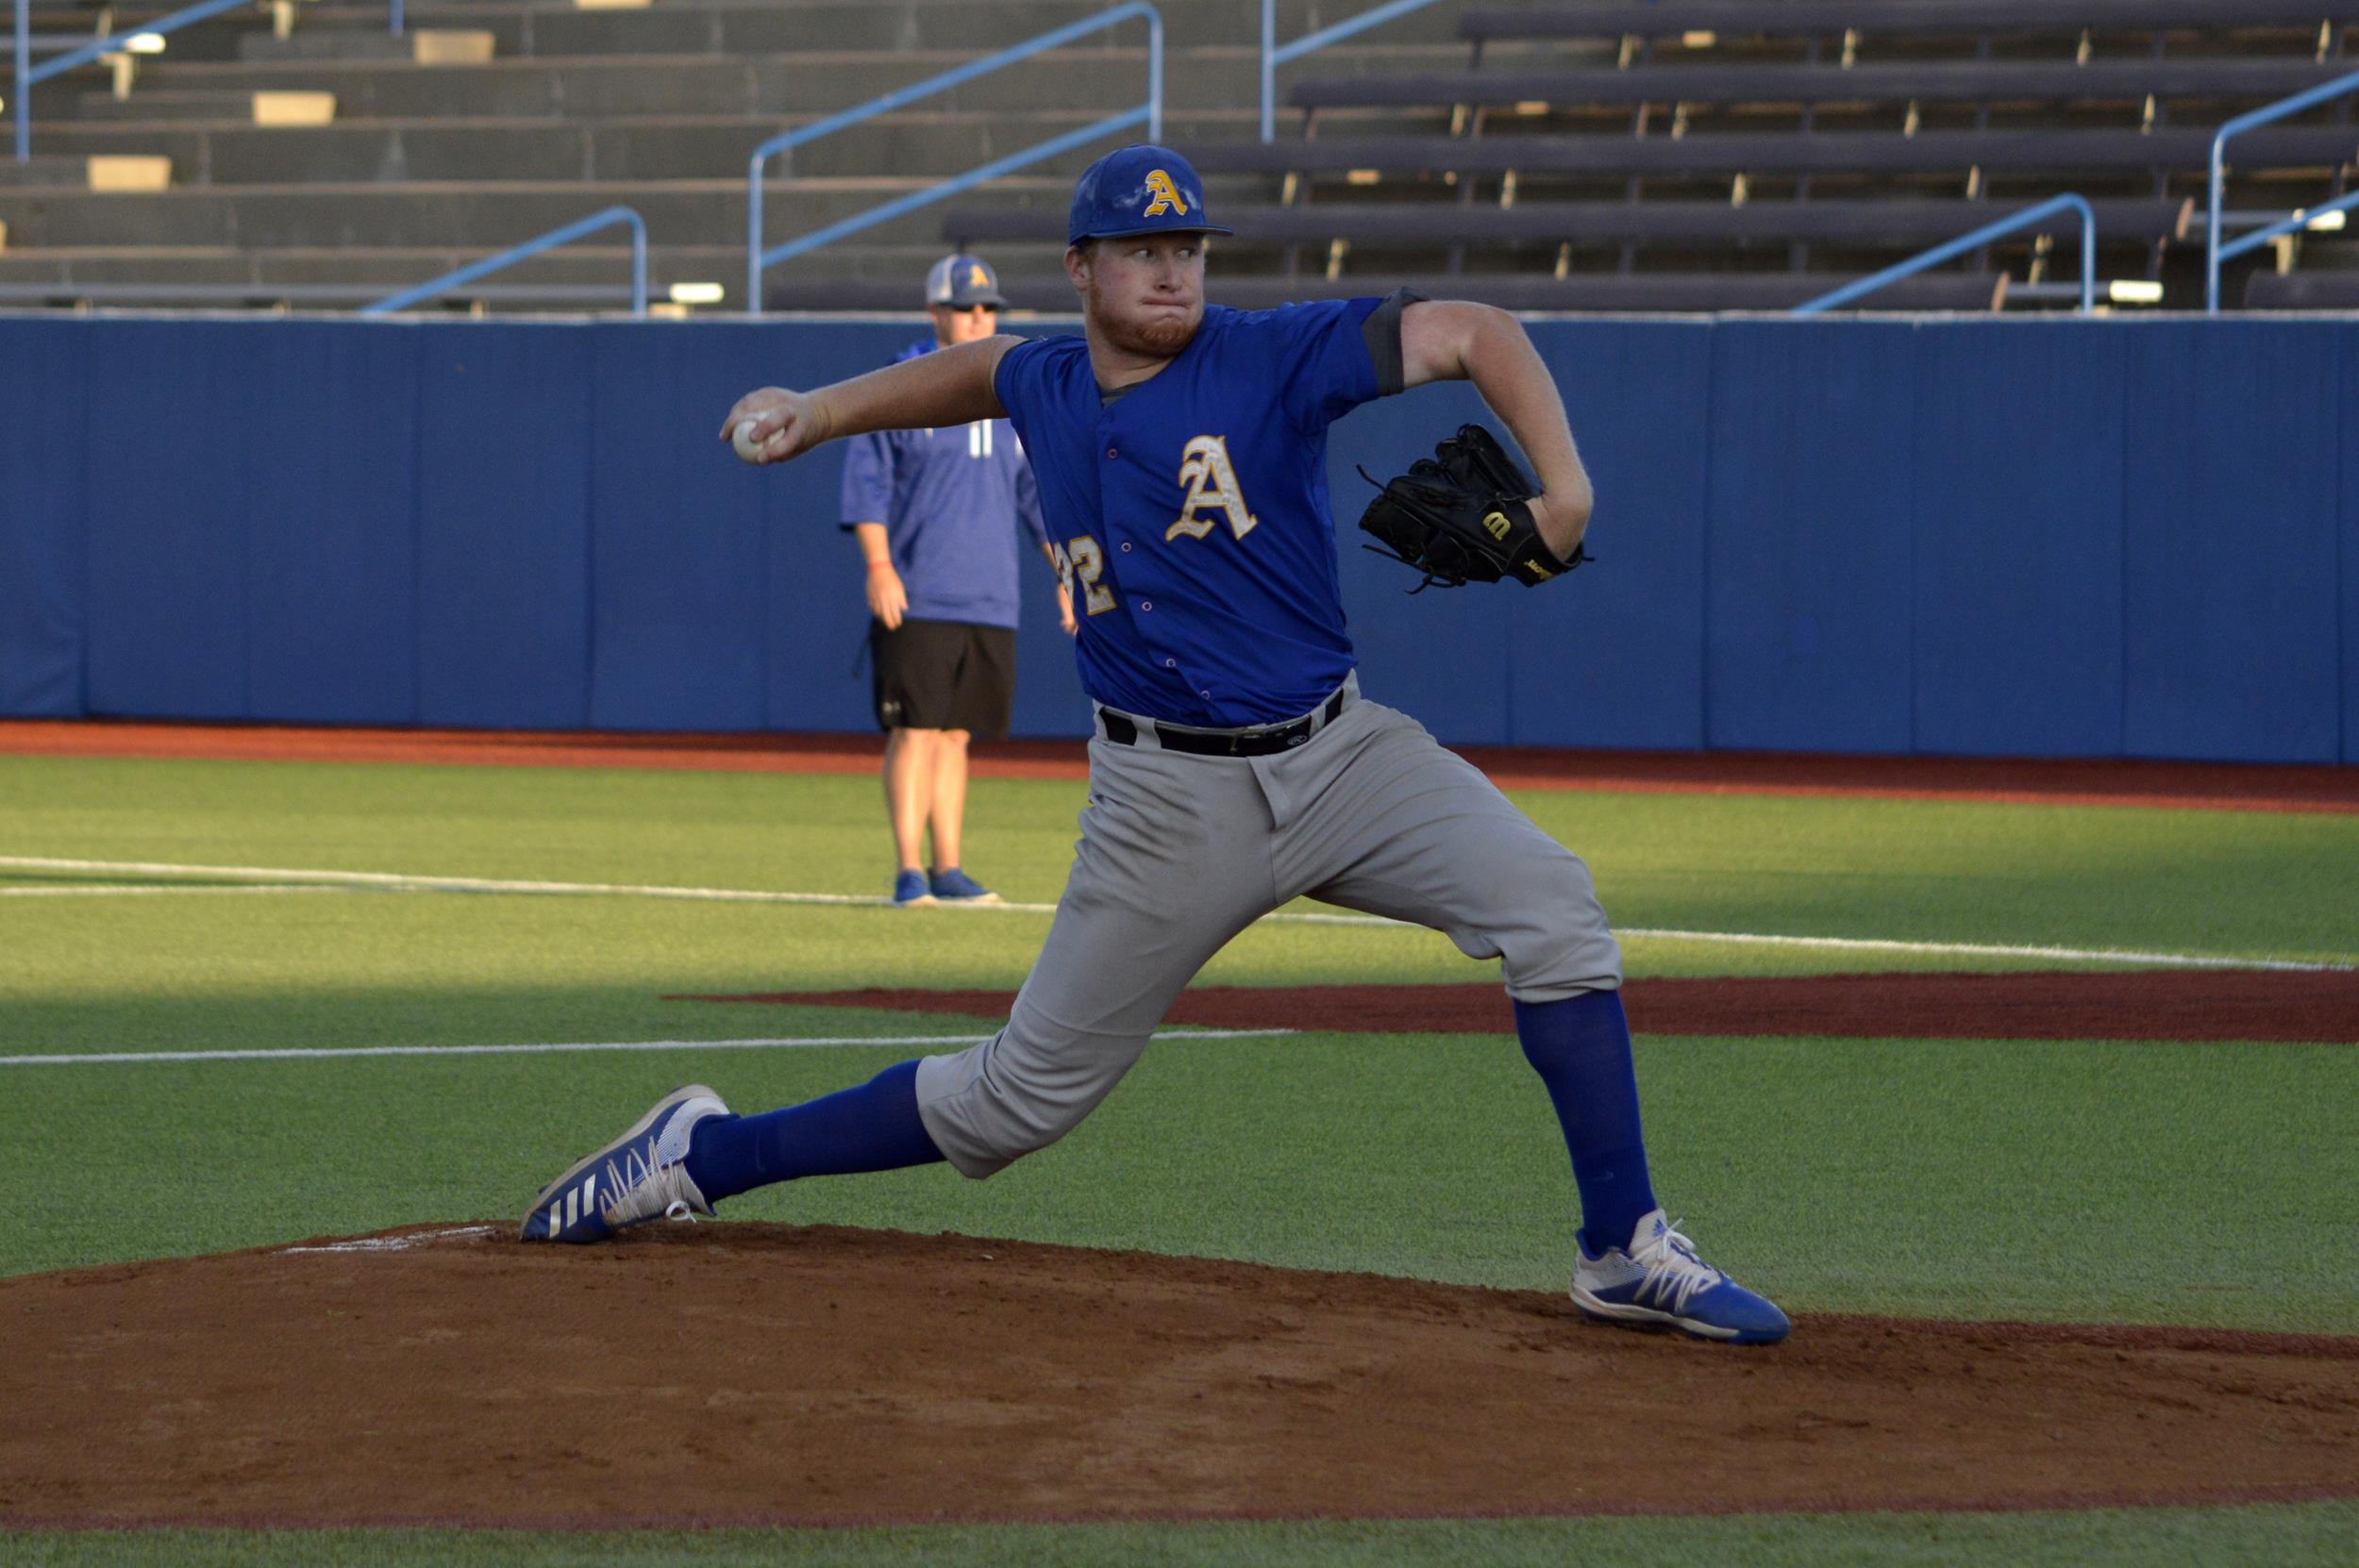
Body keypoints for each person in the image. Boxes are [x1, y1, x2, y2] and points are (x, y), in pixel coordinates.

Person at [523, 145, 1788, 1345]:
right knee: (1013, 1102)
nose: (1173, 268)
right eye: (1141, 247)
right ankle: (703, 1150)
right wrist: (823, 408)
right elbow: (983, 373)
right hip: (1164, 799)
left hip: (1345, 757)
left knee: (1556, 909)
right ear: (1083, 268)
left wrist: (1563, 488)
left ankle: (1622, 1245)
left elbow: (1473, 333)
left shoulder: (1273, 354)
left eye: (1186, 244)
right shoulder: (1050, 381)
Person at [841, 254, 1076, 909]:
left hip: (990, 591)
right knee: (915, 728)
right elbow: (868, 481)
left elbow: (1038, 499)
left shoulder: (1008, 401)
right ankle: (908, 869)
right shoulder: (899, 383)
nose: (981, 318)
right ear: (937, 312)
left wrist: (1066, 576)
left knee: (956, 733)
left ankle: (949, 865)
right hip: (921, 588)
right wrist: (880, 566)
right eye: (969, 307)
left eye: (989, 308)